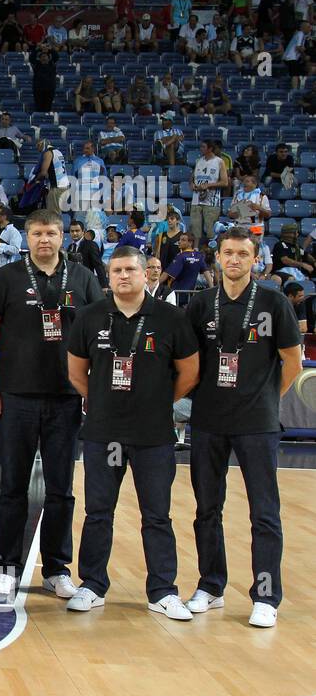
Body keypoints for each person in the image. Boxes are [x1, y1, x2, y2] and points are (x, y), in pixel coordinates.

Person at [65, 247, 200, 619]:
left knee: (157, 514)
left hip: (153, 434)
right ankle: (92, 584)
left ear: (145, 274)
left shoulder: (171, 317)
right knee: (98, 512)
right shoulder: (90, 316)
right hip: (103, 432)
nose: (123, 276)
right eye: (116, 270)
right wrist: (102, 401)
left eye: (130, 270)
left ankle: (162, 590)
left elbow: (189, 372)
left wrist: (157, 401)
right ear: (108, 277)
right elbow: (77, 372)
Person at [0, 210, 104, 600]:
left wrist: (90, 390)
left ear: (62, 236)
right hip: (14, 395)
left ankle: (56, 568)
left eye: (50, 232)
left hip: (66, 399)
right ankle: (7, 566)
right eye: (36, 233)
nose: (43, 239)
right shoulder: (7, 277)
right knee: (12, 485)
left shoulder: (83, 278)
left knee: (61, 488)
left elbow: (100, 334)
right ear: (26, 237)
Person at [185, 227, 302, 628]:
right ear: (217, 258)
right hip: (208, 419)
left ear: (256, 260)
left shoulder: (274, 302)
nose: (234, 260)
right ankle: (210, 585)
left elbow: (293, 362)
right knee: (206, 508)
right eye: (227, 253)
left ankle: (266, 595)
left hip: (257, 423)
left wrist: (267, 399)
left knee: (264, 512)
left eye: (242, 254)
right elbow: (188, 362)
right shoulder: (201, 304)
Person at [190, 141, 229, 243]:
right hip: (196, 199)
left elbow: (225, 182)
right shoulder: (199, 161)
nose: (200, 148)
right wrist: (192, 184)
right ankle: (195, 251)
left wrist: (208, 185)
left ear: (210, 149)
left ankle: (211, 253)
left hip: (211, 201)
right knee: (195, 230)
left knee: (211, 231)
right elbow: (192, 178)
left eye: (203, 146)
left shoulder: (219, 162)